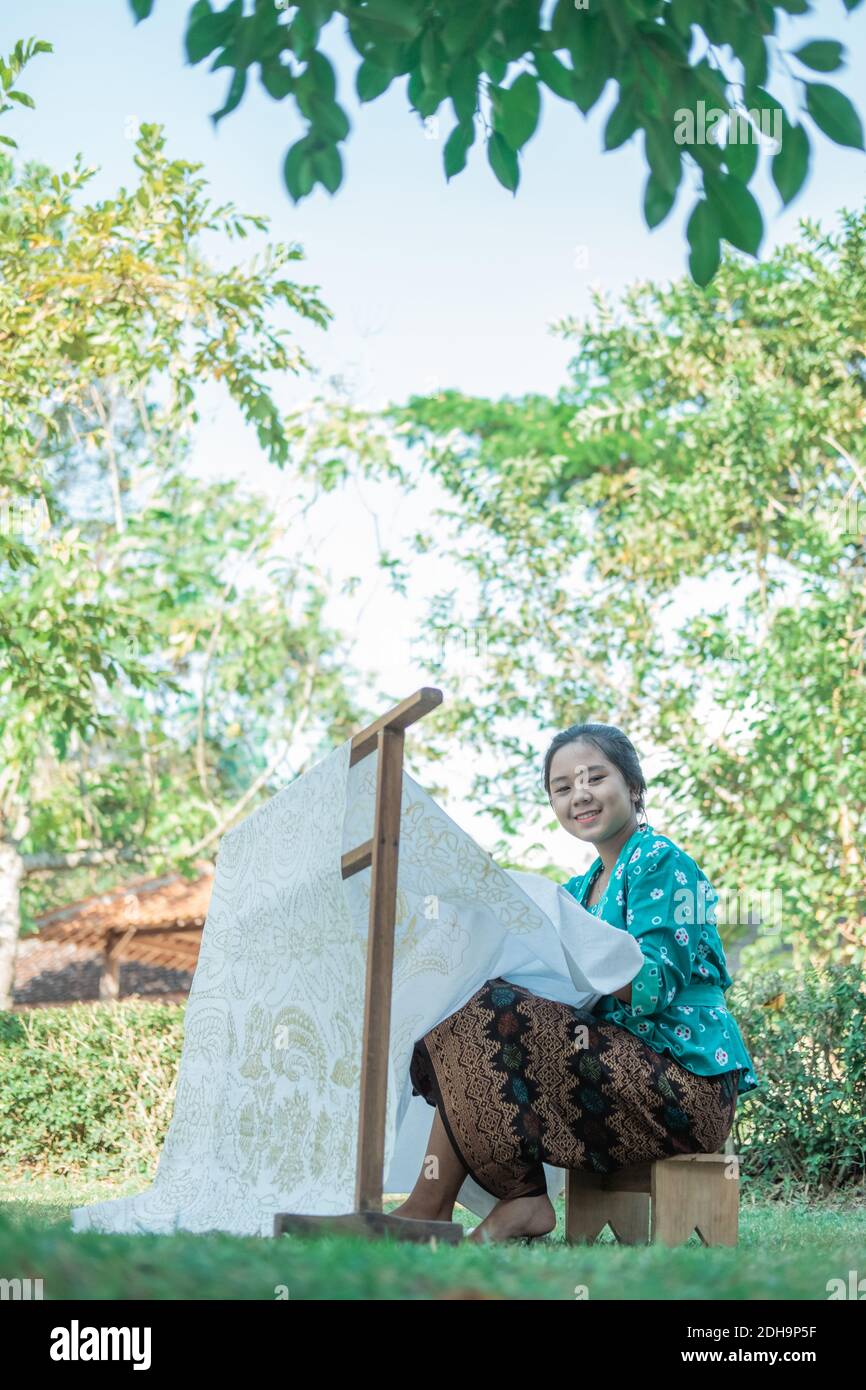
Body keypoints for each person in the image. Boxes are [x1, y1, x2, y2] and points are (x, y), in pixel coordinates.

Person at [389, 722, 759, 1245]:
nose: (579, 795)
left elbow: (655, 987)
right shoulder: (581, 890)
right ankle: (440, 1204)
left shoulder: (663, 864)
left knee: (487, 1008)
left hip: (681, 1086)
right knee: (450, 1011)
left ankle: (506, 1203)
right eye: (562, 788)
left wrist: (570, 949)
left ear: (633, 787)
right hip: (608, 1078)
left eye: (594, 778)